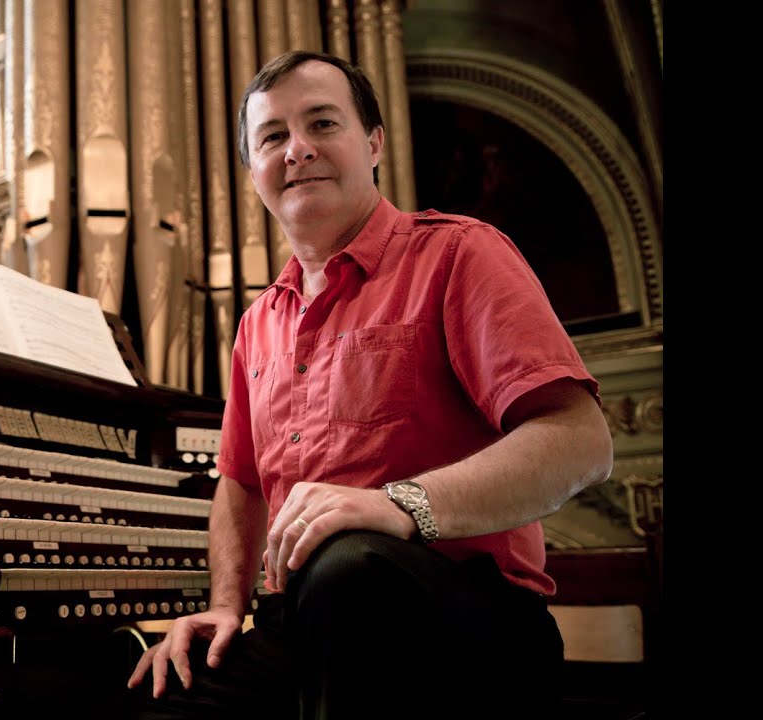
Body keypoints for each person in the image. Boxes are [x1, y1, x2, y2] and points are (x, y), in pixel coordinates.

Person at [123, 50, 613, 719]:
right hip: (307, 622)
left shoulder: (459, 254)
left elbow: (580, 442)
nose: (297, 150)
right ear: (253, 173)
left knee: (351, 565)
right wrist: (225, 606)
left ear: (374, 143)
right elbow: (238, 482)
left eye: (322, 124)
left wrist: (401, 506)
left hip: (470, 621)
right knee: (139, 692)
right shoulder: (256, 324)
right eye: (272, 137)